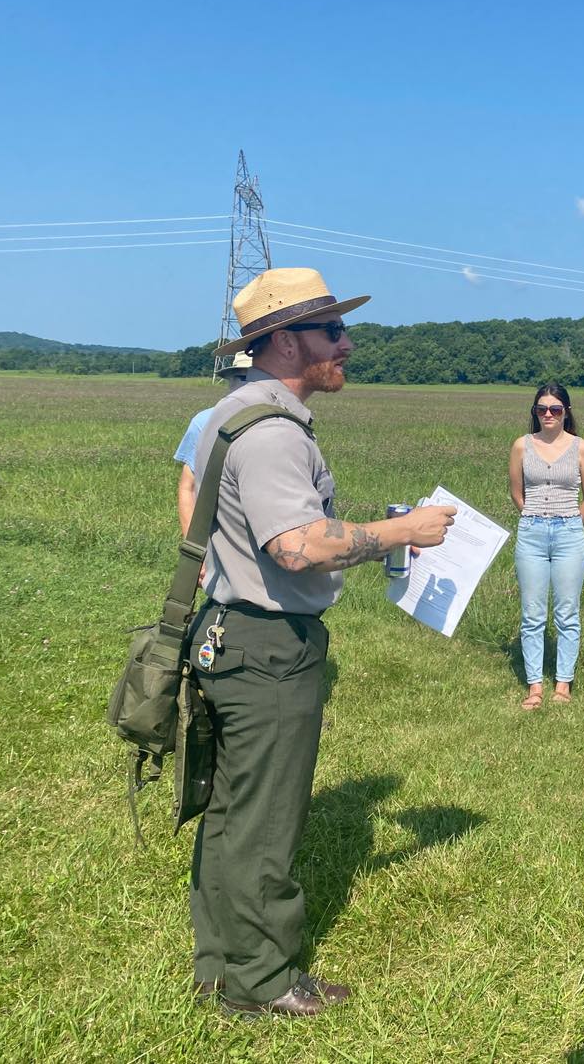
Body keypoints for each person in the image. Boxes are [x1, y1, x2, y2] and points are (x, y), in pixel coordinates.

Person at [188, 267, 457, 1017]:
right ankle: (263, 981)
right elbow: (299, 547)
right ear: (281, 343)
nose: (348, 343)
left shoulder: (232, 413)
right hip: (268, 646)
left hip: (230, 636)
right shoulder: (273, 434)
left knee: (234, 811)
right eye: (331, 330)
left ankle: (221, 963)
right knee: (266, 821)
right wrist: (399, 533)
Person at [508, 383, 584, 710]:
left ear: (566, 412)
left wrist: (572, 523)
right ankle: (534, 686)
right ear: (534, 412)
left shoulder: (581, 448)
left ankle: (563, 684)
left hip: (569, 534)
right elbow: (517, 493)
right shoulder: (522, 446)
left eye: (555, 409)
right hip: (531, 532)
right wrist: (533, 517)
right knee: (532, 614)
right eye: (542, 409)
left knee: (567, 612)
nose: (548, 414)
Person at [175, 352, 252, 537]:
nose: (247, 384)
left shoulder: (285, 422)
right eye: (241, 377)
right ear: (229, 380)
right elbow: (189, 487)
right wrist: (192, 548)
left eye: (256, 377)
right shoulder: (204, 421)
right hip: (218, 538)